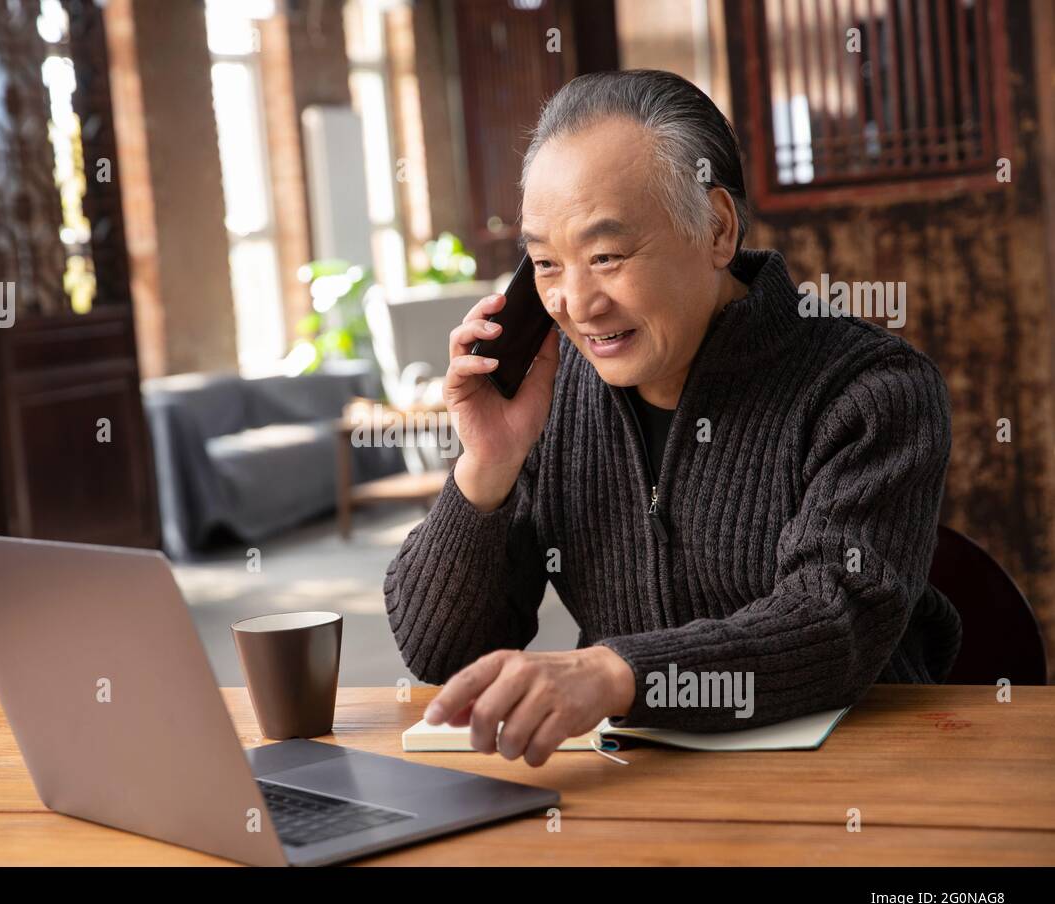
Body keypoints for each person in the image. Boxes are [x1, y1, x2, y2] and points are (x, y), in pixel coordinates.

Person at [382, 69, 960, 766]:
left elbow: (832, 620)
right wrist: (488, 465)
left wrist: (614, 673)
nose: (576, 302)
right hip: (641, 784)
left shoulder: (870, 389)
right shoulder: (553, 399)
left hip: (858, 779)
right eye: (545, 263)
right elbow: (441, 655)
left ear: (716, 229)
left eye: (606, 256)